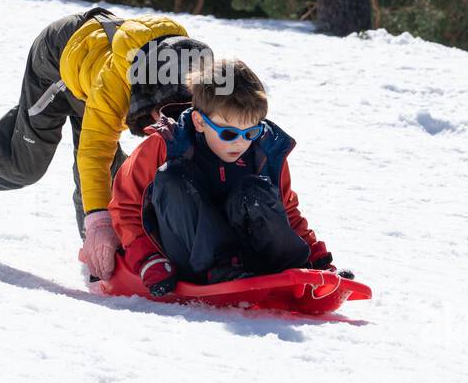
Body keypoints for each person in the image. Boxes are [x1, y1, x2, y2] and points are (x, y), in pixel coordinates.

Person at [0, 4, 212, 279]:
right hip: (57, 62)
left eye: (182, 112)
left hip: (95, 64)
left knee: (119, 176)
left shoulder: (192, 75)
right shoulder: (115, 88)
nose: (171, 121)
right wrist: (98, 223)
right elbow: (93, 155)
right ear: (147, 96)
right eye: (165, 112)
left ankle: (111, 254)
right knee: (22, 163)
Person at [108, 57, 338, 295]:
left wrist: (315, 256)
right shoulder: (166, 144)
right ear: (199, 122)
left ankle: (294, 269)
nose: (241, 142)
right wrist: (147, 259)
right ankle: (221, 268)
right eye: (229, 133)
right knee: (172, 177)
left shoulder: (264, 150)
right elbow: (126, 207)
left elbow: (285, 209)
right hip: (190, 256)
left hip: (250, 258)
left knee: (255, 190)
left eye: (251, 132)